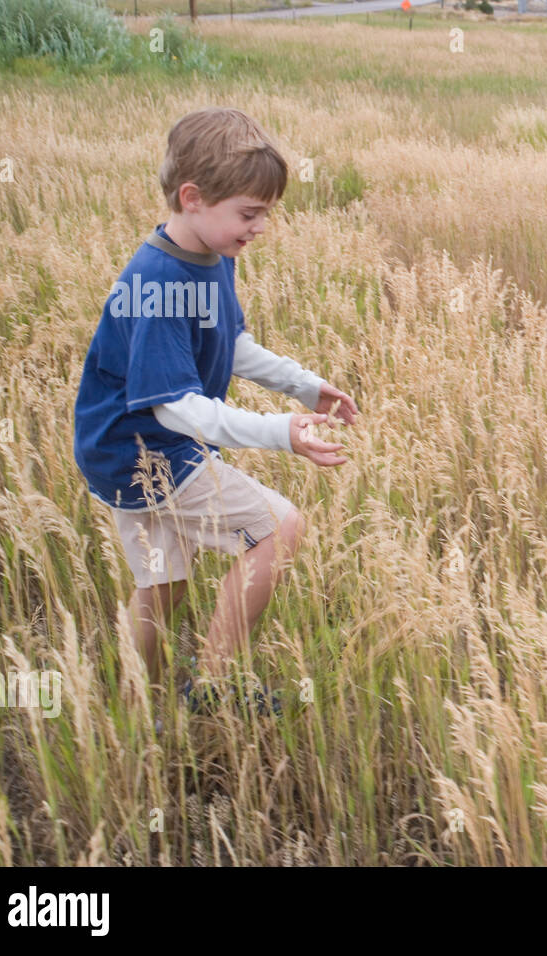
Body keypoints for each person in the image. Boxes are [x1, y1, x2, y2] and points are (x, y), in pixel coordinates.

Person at [72, 106, 358, 716]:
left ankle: (134, 706)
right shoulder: (157, 281)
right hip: (150, 453)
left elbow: (230, 342)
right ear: (193, 197)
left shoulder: (210, 253)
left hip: (122, 450)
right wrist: (280, 432)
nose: (259, 228)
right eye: (249, 214)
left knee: (164, 584)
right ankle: (217, 687)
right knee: (278, 528)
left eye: (265, 214)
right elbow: (177, 408)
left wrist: (302, 387)